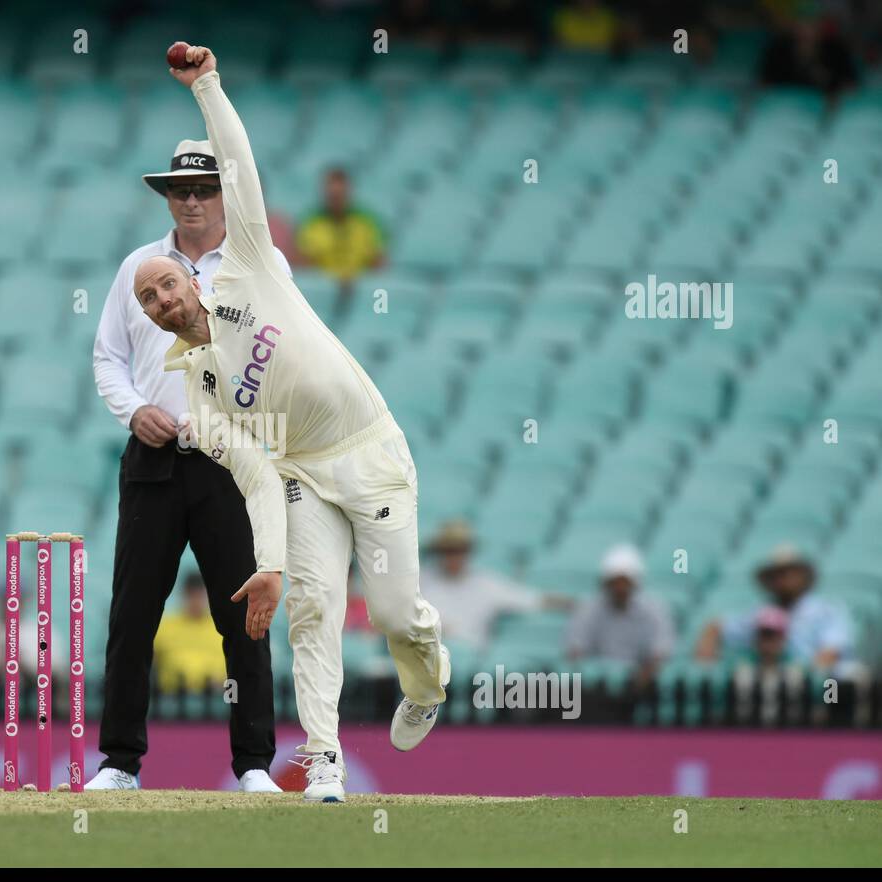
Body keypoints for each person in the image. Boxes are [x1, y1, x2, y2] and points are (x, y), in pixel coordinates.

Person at [134, 45, 450, 802]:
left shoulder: (248, 263)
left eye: (168, 283)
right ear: (149, 315)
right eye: (148, 298)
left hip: (368, 449)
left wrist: (206, 86)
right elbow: (255, 478)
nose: (163, 298)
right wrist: (267, 562)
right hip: (303, 471)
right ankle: (326, 761)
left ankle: (427, 680)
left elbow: (237, 171)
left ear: (191, 276)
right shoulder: (200, 402)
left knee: (401, 614)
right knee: (311, 609)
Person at [90, 131, 293, 793]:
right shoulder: (137, 268)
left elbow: (286, 351)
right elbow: (108, 359)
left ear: (225, 195)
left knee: (242, 616)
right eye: (182, 190)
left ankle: (255, 764)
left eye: (205, 189)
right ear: (168, 197)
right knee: (133, 613)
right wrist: (133, 411)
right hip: (154, 457)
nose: (193, 201)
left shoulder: (255, 266)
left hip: (229, 460)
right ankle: (120, 762)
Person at [693, 545, 853, 672]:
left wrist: (803, 675)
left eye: (789, 573)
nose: (783, 579)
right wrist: (705, 668)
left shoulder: (826, 611)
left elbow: (831, 652)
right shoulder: (760, 614)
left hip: (816, 683)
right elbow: (715, 628)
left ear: (803, 576)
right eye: (778, 574)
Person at [421, 519, 573, 651]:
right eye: (449, 550)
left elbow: (533, 599)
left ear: (468, 551)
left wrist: (575, 605)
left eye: (460, 550)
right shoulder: (421, 582)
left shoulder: (486, 584)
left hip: (468, 658)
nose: (454, 556)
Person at [564, 544, 675, 688]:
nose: (620, 588)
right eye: (614, 582)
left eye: (624, 582)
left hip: (641, 685)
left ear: (635, 583)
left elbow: (661, 652)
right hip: (598, 687)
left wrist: (642, 677)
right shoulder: (588, 609)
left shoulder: (654, 610)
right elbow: (575, 650)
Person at [294, 167, 386, 284]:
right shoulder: (310, 224)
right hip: (321, 290)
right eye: (333, 196)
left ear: (349, 193)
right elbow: (302, 265)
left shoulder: (366, 223)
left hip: (359, 290)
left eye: (340, 195)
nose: (336, 200)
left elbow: (378, 263)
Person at [151, 574, 227, 694]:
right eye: (192, 595)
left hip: (215, 695)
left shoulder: (221, 627)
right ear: (184, 595)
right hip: (173, 697)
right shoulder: (165, 626)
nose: (196, 601)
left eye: (199, 595)